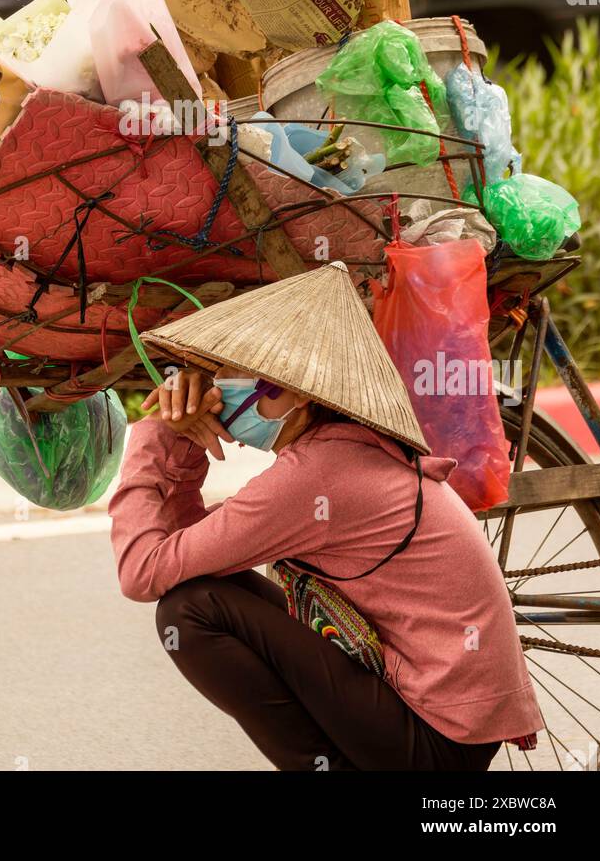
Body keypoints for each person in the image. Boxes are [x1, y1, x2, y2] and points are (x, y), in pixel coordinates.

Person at [108, 262, 543, 772]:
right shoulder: (338, 454)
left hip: (438, 741)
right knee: (203, 590)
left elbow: (142, 572)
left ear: (288, 391)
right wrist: (180, 442)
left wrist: (153, 434)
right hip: (444, 718)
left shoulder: (316, 477)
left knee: (189, 613)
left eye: (225, 373)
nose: (214, 391)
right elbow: (192, 550)